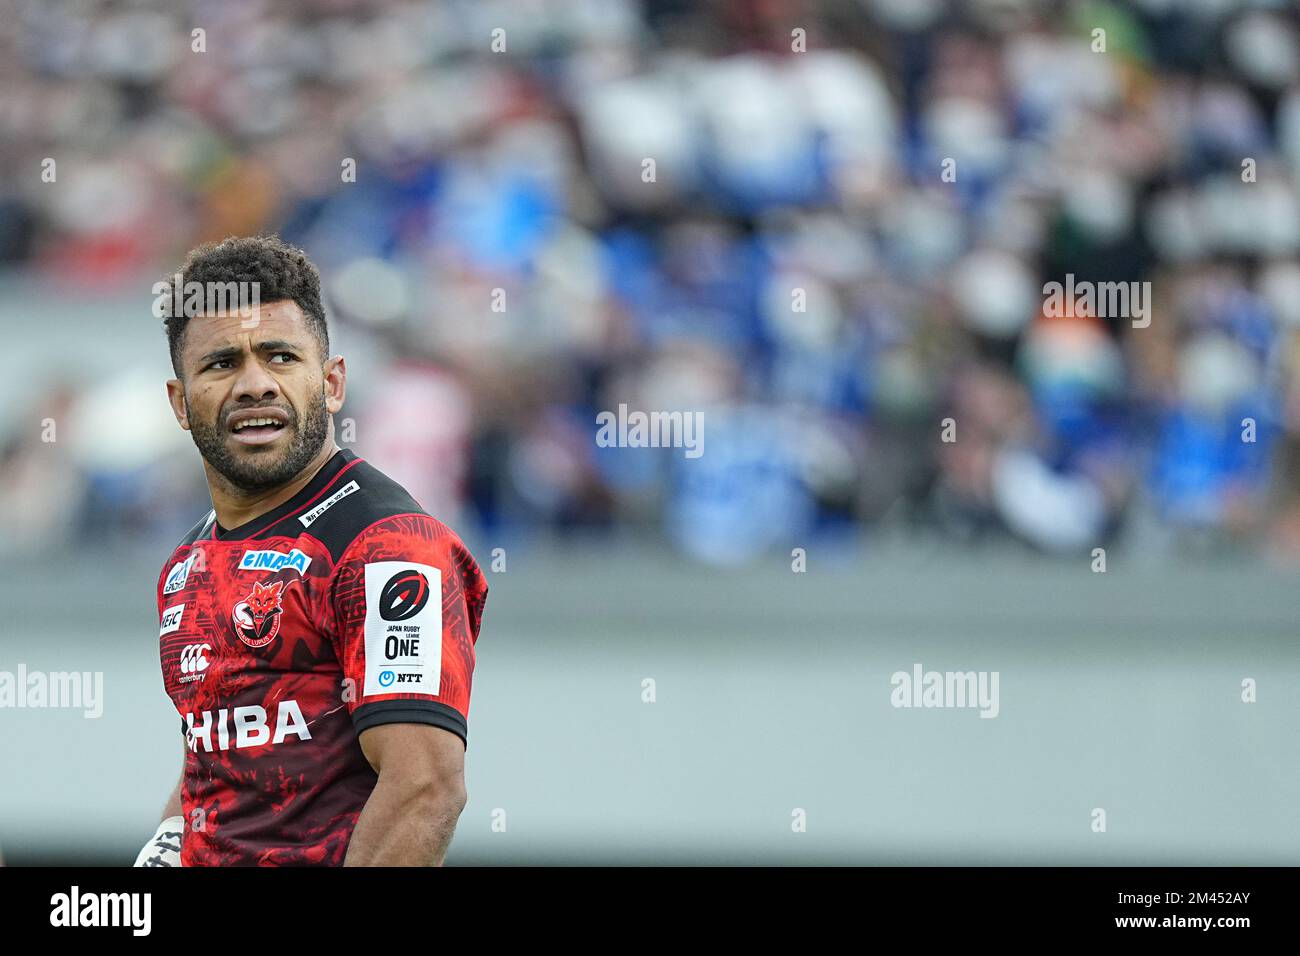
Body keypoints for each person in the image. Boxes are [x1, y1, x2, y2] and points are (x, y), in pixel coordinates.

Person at [134, 236, 487, 866]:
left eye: (280, 356)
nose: (254, 385)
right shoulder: (187, 562)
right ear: (180, 403)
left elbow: (424, 791)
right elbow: (217, 768)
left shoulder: (387, 546)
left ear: (331, 382)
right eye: (220, 364)